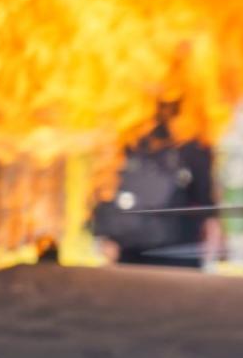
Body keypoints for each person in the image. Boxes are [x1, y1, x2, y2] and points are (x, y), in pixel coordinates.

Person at [92, 103, 223, 269]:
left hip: (131, 247)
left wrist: (105, 235)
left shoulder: (128, 137)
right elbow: (205, 197)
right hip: (177, 249)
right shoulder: (190, 142)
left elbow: (105, 186)